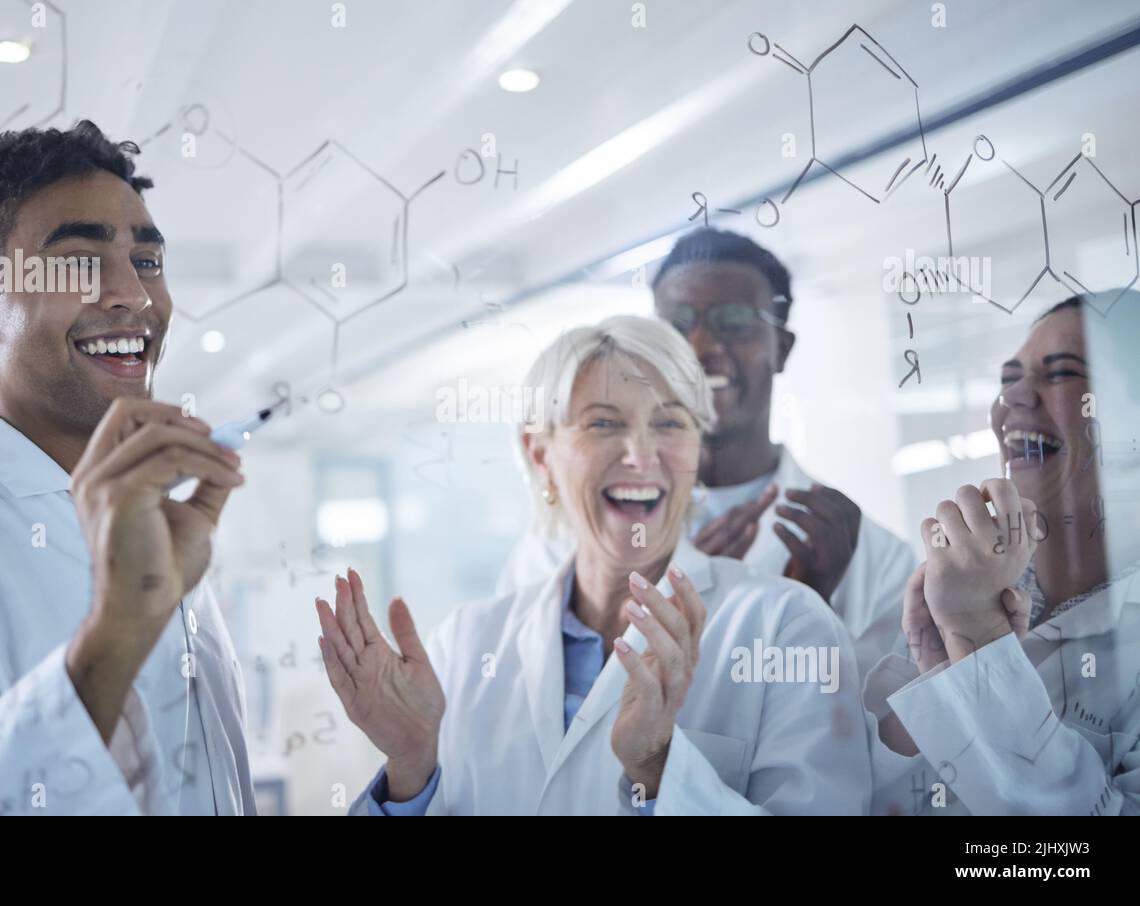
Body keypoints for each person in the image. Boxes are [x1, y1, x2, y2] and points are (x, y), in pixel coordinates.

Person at [0, 122, 253, 814]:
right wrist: (112, 642)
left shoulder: (163, 532)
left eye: (147, 262)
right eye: (79, 261)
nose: (134, 295)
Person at [316, 316, 870, 815]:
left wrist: (658, 768)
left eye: (670, 423)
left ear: (698, 450)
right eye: (603, 424)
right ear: (540, 455)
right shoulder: (465, 646)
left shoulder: (788, 629)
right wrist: (412, 767)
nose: (639, 454)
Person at [498, 229, 915, 673]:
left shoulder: (873, 554)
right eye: (677, 324)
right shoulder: (563, 539)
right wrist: (675, 580)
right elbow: (531, 704)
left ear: (782, 349)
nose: (698, 348)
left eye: (734, 322)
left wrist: (809, 610)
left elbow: (880, 731)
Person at [866, 295, 1140, 815]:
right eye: (1008, 377)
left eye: (1060, 374)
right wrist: (951, 668)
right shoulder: (952, 597)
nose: (1012, 397)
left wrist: (982, 643)